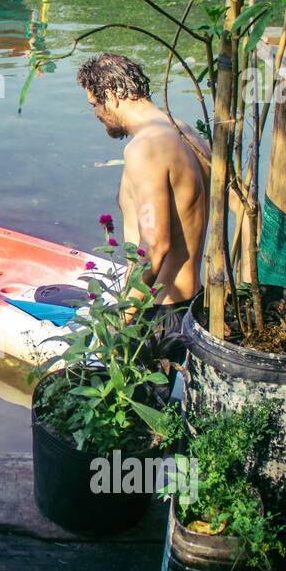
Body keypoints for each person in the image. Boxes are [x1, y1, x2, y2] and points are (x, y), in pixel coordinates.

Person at [75, 53, 210, 365]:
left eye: (96, 103)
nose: (96, 113)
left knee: (133, 409)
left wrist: (120, 321)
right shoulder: (185, 132)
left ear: (113, 94)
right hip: (191, 302)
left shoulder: (145, 148)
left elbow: (155, 246)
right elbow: (233, 205)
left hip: (158, 312)